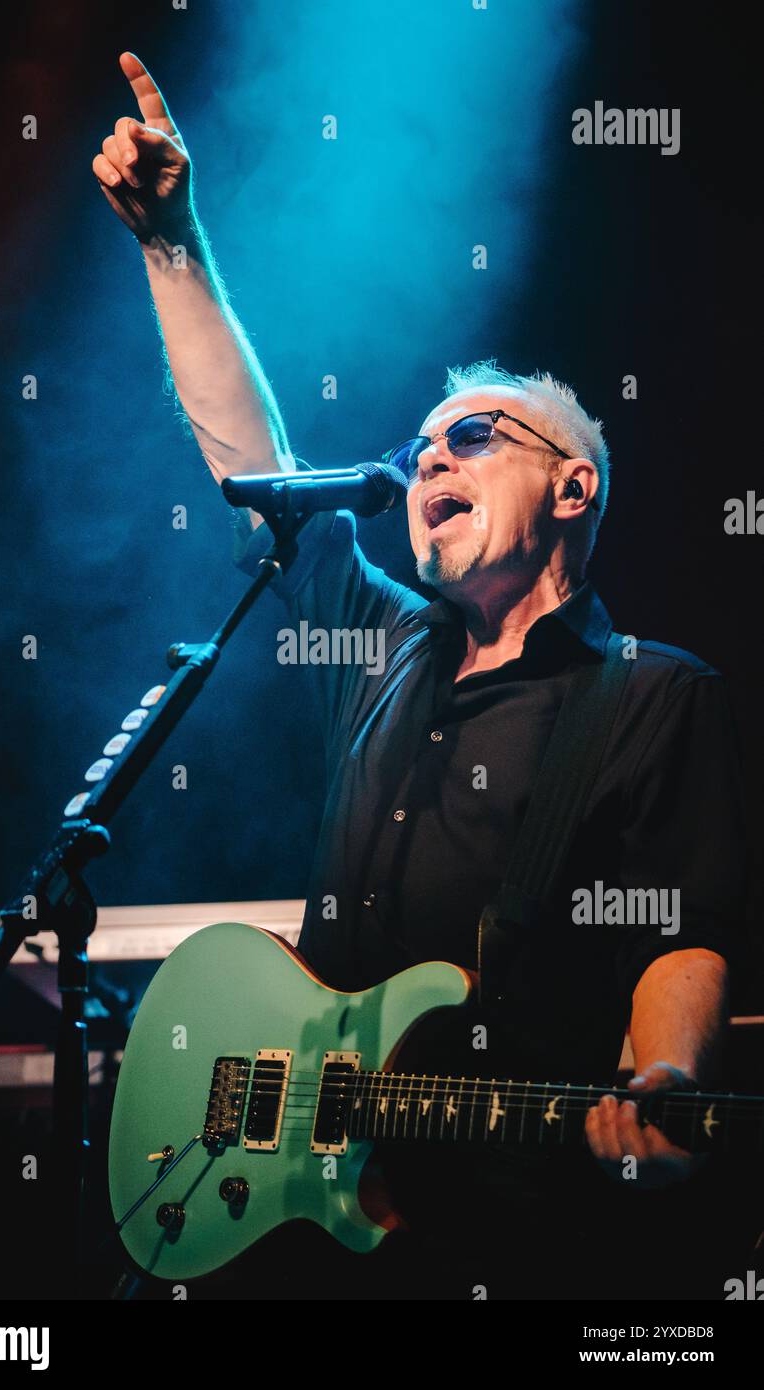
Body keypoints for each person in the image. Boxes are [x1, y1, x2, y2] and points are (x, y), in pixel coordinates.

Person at [93, 53, 747, 1300]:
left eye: (472, 436)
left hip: (500, 1231)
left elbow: (685, 932)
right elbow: (254, 469)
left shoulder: (657, 696)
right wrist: (171, 241)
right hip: (306, 1209)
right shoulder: (384, 648)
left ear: (573, 486)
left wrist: (663, 1078)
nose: (427, 461)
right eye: (417, 448)